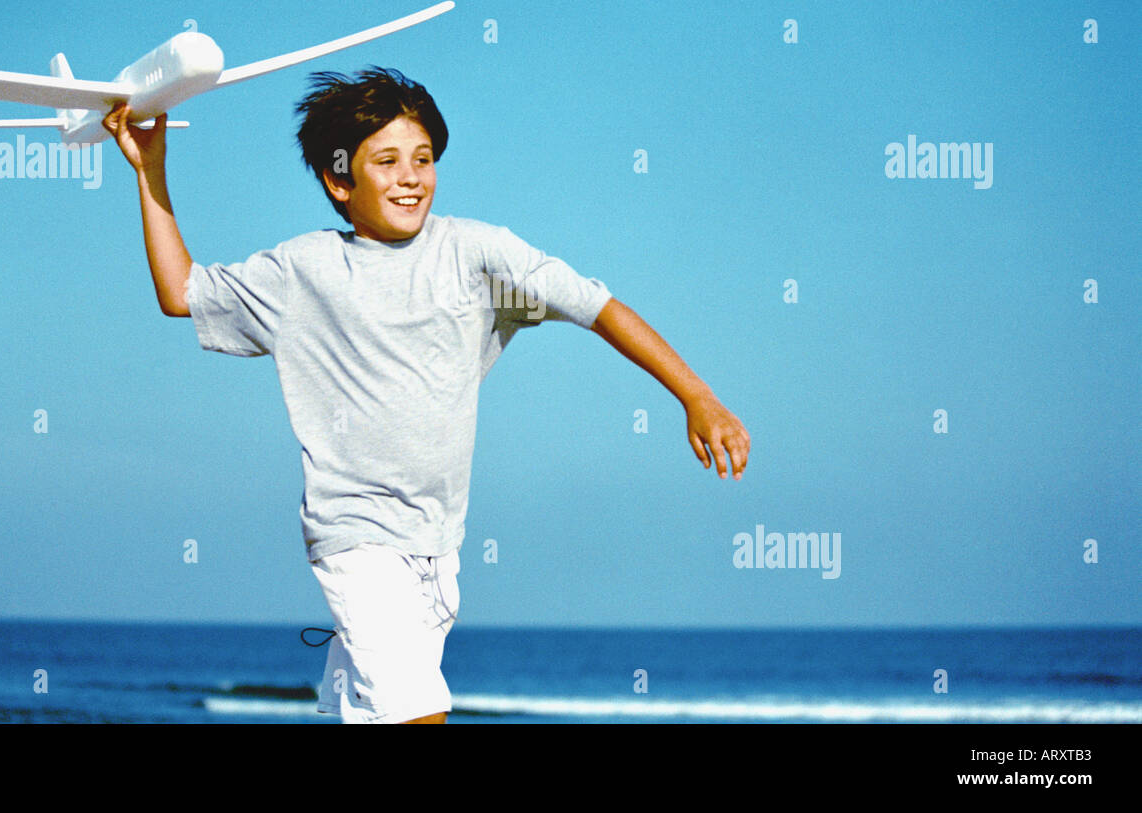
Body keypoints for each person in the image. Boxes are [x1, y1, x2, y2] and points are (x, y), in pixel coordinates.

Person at [103, 66, 750, 724]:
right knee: (418, 710)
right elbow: (182, 292)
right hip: (355, 534)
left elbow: (598, 306)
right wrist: (149, 169)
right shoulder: (303, 272)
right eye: (386, 161)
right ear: (338, 180)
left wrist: (696, 396)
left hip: (437, 541)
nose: (411, 176)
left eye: (423, 158)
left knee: (362, 712)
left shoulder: (479, 255)